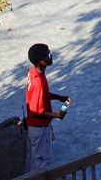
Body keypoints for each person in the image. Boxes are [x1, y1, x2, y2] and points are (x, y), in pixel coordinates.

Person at [22, 44, 70, 173]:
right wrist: (56, 115)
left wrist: (58, 97)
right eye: (47, 55)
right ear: (40, 61)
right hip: (39, 129)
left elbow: (41, 96)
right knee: (41, 164)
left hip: (33, 127)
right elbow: (35, 111)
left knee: (32, 158)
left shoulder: (34, 71)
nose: (50, 57)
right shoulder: (39, 82)